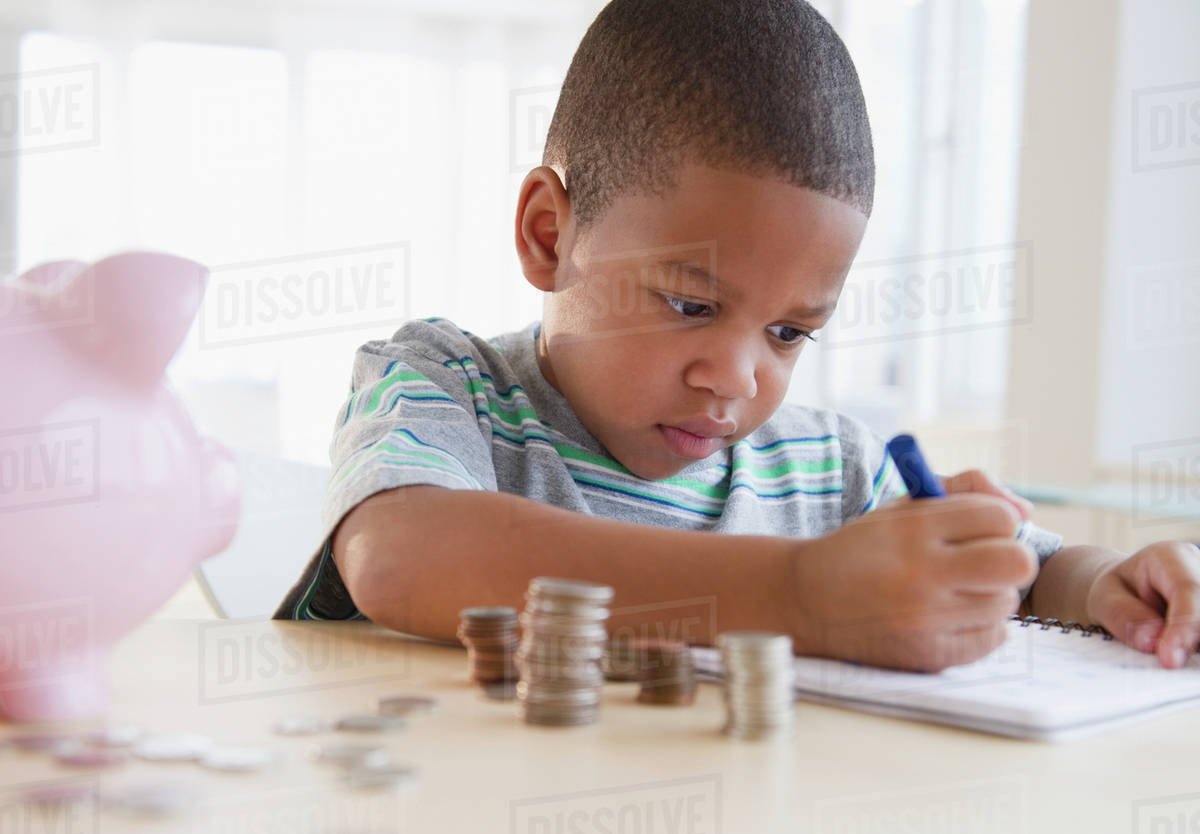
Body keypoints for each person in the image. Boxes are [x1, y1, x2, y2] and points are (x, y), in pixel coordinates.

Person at [273, 0, 1200, 673]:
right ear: (550, 235)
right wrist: (802, 596)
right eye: (689, 304)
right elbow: (398, 556)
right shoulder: (444, 386)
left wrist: (1114, 577)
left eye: (790, 331)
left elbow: (1029, 573)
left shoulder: (827, 467)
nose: (736, 378)